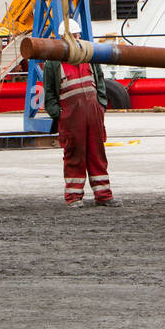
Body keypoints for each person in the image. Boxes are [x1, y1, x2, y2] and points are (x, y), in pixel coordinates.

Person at [43, 20, 117, 208]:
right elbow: (50, 93)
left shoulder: (88, 55)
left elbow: (99, 80)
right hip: (70, 117)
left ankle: (104, 195)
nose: (76, 39)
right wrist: (58, 114)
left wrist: (101, 105)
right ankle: (74, 197)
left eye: (77, 36)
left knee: (97, 153)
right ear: (62, 38)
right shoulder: (53, 62)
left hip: (93, 114)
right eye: (72, 36)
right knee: (74, 155)